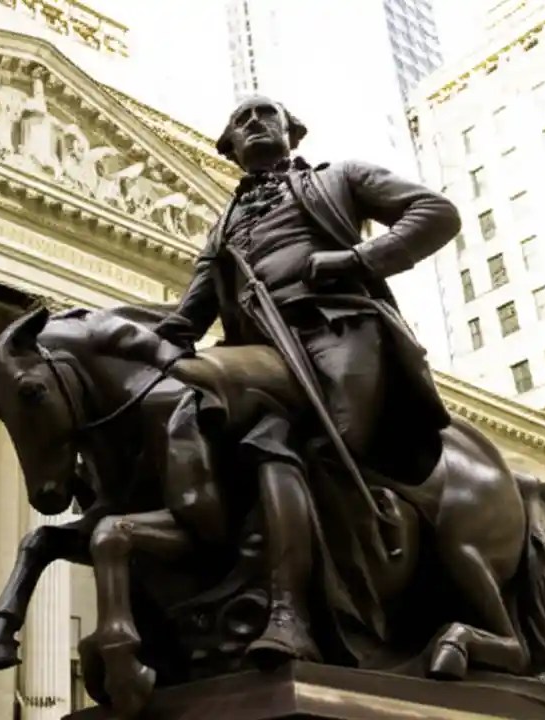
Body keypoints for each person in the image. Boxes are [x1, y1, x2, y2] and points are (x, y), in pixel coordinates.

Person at [154, 94, 462, 662]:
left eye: (264, 114)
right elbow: (192, 307)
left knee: (298, 438)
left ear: (291, 131)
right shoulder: (222, 227)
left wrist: (358, 261)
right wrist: (147, 344)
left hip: (342, 332)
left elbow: (436, 214)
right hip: (263, 351)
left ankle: (293, 613)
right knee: (190, 413)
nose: (253, 124)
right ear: (230, 147)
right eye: (240, 121)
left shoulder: (341, 178)